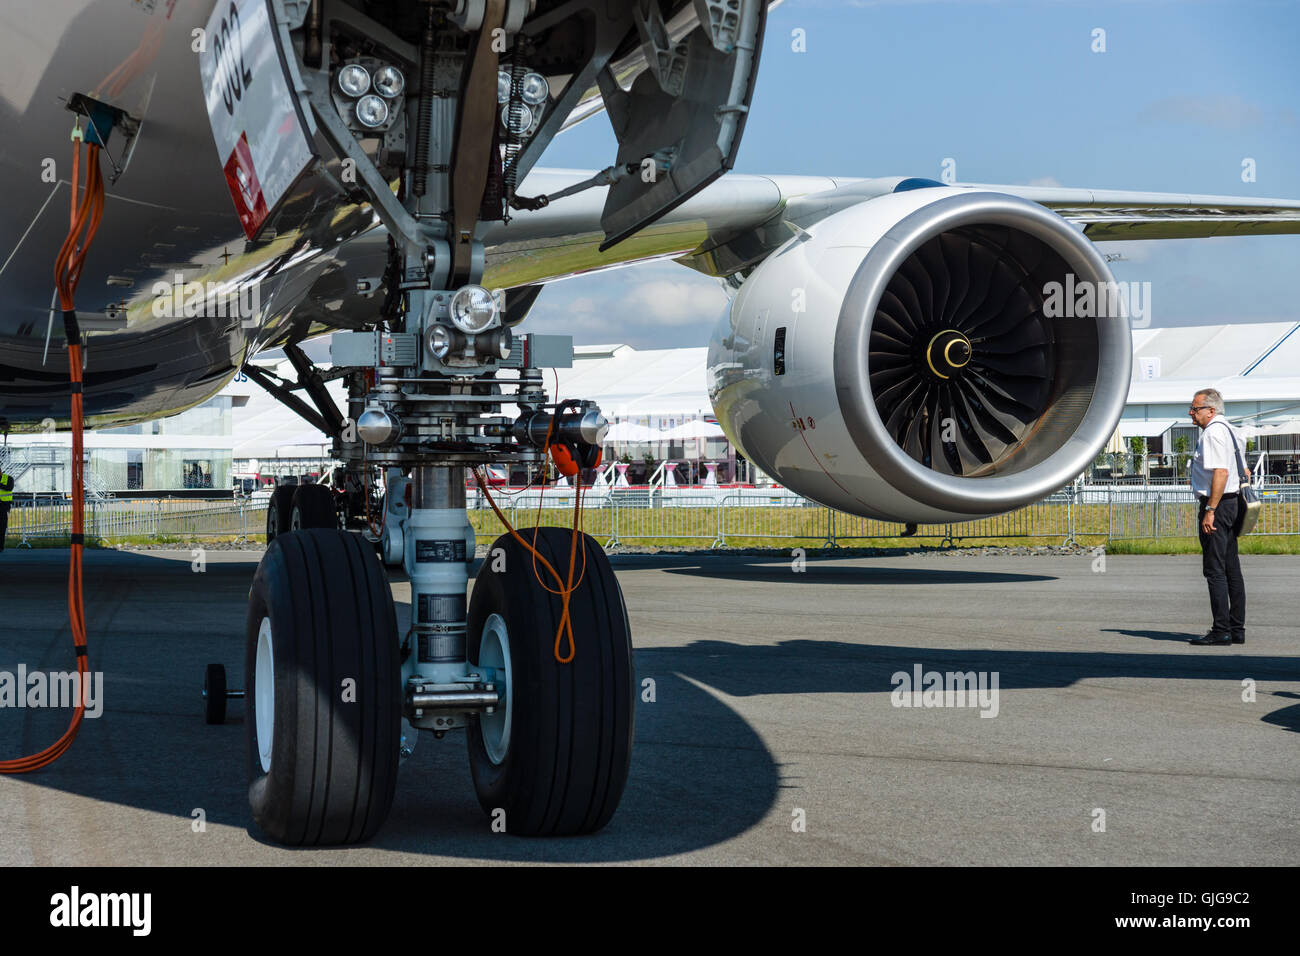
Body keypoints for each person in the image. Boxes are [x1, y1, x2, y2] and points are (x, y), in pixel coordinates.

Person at [1186, 388, 1249, 646]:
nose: (1191, 413)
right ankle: (1237, 629)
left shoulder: (1212, 433)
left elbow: (1220, 473)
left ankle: (1221, 629)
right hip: (1232, 502)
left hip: (1218, 504)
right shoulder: (1232, 431)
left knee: (1215, 569)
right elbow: (1243, 468)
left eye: (1195, 408)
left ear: (1211, 410)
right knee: (1231, 567)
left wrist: (1210, 510)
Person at [0, 469, 12, 552]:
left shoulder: (8, 478)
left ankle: (1, 546)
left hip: (3, 507)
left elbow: (9, 488)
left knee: (2, 528)